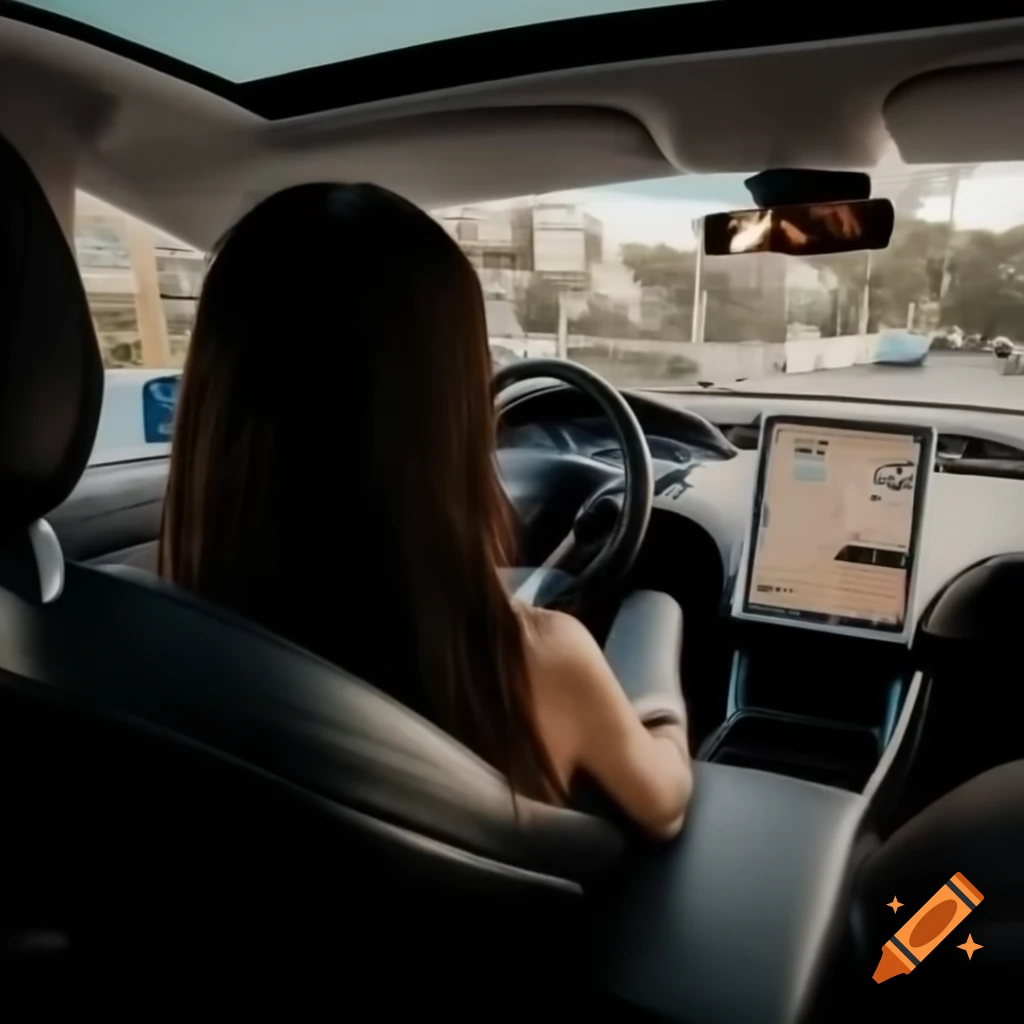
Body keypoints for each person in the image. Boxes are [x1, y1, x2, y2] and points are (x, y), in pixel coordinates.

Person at [158, 182, 693, 839]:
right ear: (450, 414)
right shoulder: (534, 664)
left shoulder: (129, 643)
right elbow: (664, 805)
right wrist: (660, 709)